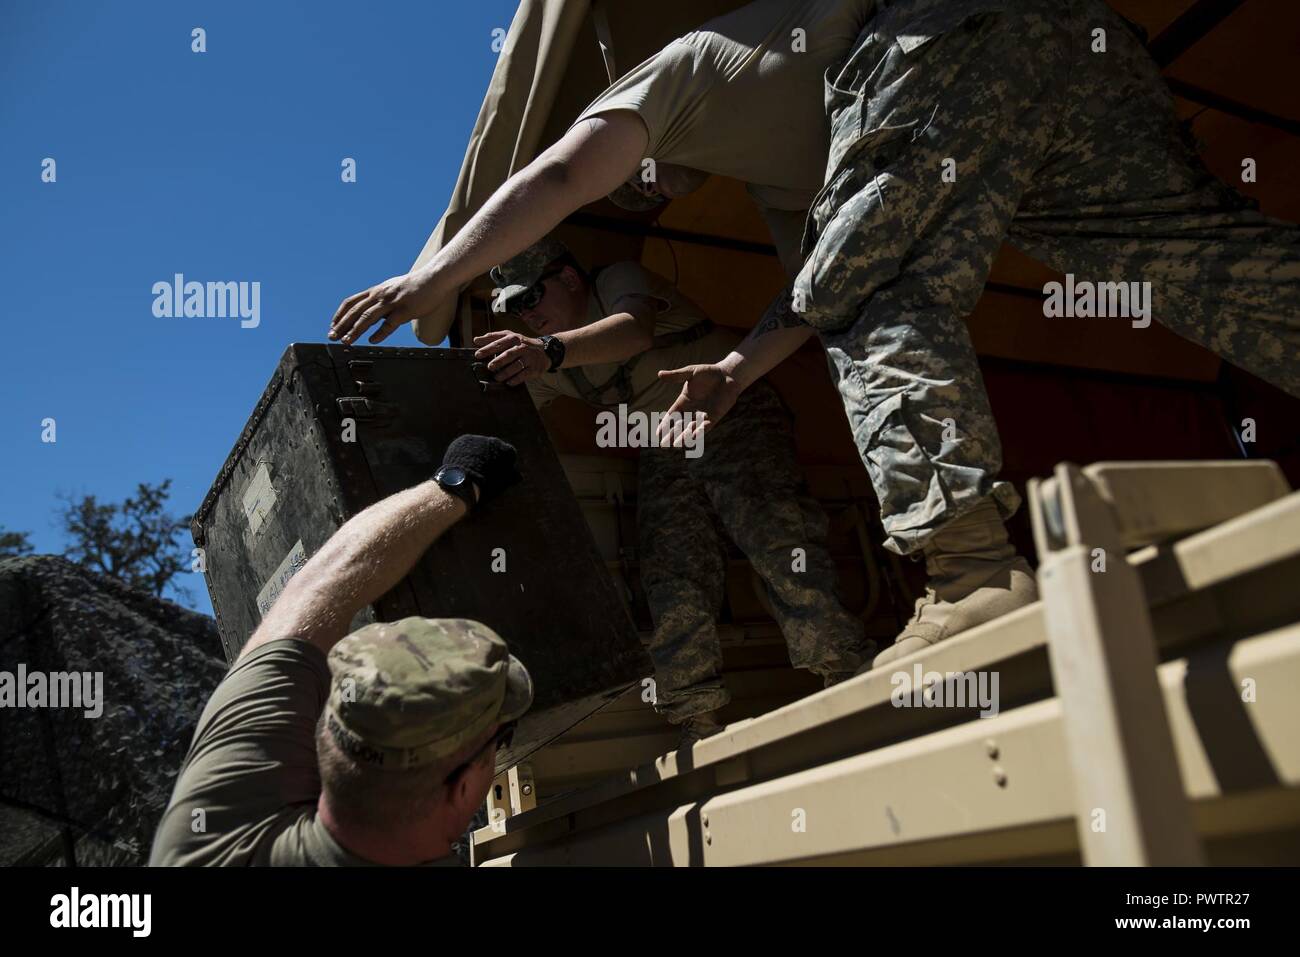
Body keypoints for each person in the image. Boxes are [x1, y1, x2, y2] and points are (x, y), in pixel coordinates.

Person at [328, 0, 1300, 671]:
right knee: (1182, 255)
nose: (648, 191)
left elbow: (552, 182)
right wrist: (739, 369)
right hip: (1061, 46)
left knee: (873, 278)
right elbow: (812, 292)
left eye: (644, 176)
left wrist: (434, 274)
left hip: (931, 39)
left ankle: (968, 576)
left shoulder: (673, 76)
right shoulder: (795, 181)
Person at [477, 236, 873, 744]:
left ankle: (846, 673)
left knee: (777, 539)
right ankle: (695, 716)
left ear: (569, 279)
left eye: (531, 297)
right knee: (671, 568)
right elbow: (506, 422)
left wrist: (549, 353)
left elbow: (634, 332)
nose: (527, 316)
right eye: (516, 308)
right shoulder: (550, 369)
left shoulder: (615, 280)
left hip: (731, 413)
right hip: (663, 441)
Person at [150, 435, 530, 866]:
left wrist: (458, 483)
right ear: (463, 789)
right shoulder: (200, 845)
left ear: (325, 734)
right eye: (500, 738)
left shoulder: (210, 842)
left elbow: (316, 589)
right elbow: (323, 583)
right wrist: (459, 483)